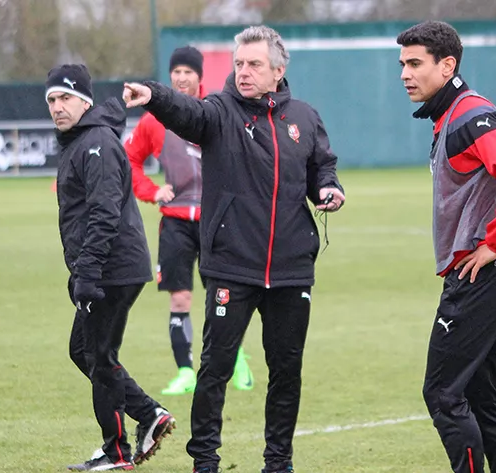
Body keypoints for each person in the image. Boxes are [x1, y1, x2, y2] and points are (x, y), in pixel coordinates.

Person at [123, 25, 345, 473]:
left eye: (254, 65)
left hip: (290, 268)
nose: (243, 72)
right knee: (215, 369)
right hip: (232, 265)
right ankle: (204, 461)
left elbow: (323, 165)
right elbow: (186, 112)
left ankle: (278, 462)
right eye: (238, 64)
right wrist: (153, 94)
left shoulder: (304, 116)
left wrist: (329, 189)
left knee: (286, 372)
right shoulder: (218, 112)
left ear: (278, 70)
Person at [397, 21, 496, 473]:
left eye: (415, 63)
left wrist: (494, 242)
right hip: (489, 278)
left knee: (442, 394)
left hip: (483, 276)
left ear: (447, 65)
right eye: (402, 64)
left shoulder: (469, 114)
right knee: (482, 397)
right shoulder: (450, 116)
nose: (405, 73)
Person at [47, 63, 176, 471]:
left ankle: (117, 451)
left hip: (112, 269)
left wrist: (87, 273)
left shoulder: (95, 143)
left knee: (99, 357)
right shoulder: (83, 139)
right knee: (84, 351)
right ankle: (150, 414)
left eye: (65, 98)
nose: (57, 107)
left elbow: (103, 213)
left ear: (84, 101)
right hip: (108, 266)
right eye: (51, 100)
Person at [124, 45, 254, 396]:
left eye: (188, 72)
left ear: (199, 77)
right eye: (176, 72)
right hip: (177, 223)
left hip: (217, 221)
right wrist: (152, 191)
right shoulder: (154, 120)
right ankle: (185, 371)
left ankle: (237, 360)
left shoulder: (216, 112)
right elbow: (129, 161)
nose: (181, 77)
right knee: (179, 299)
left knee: (224, 297)